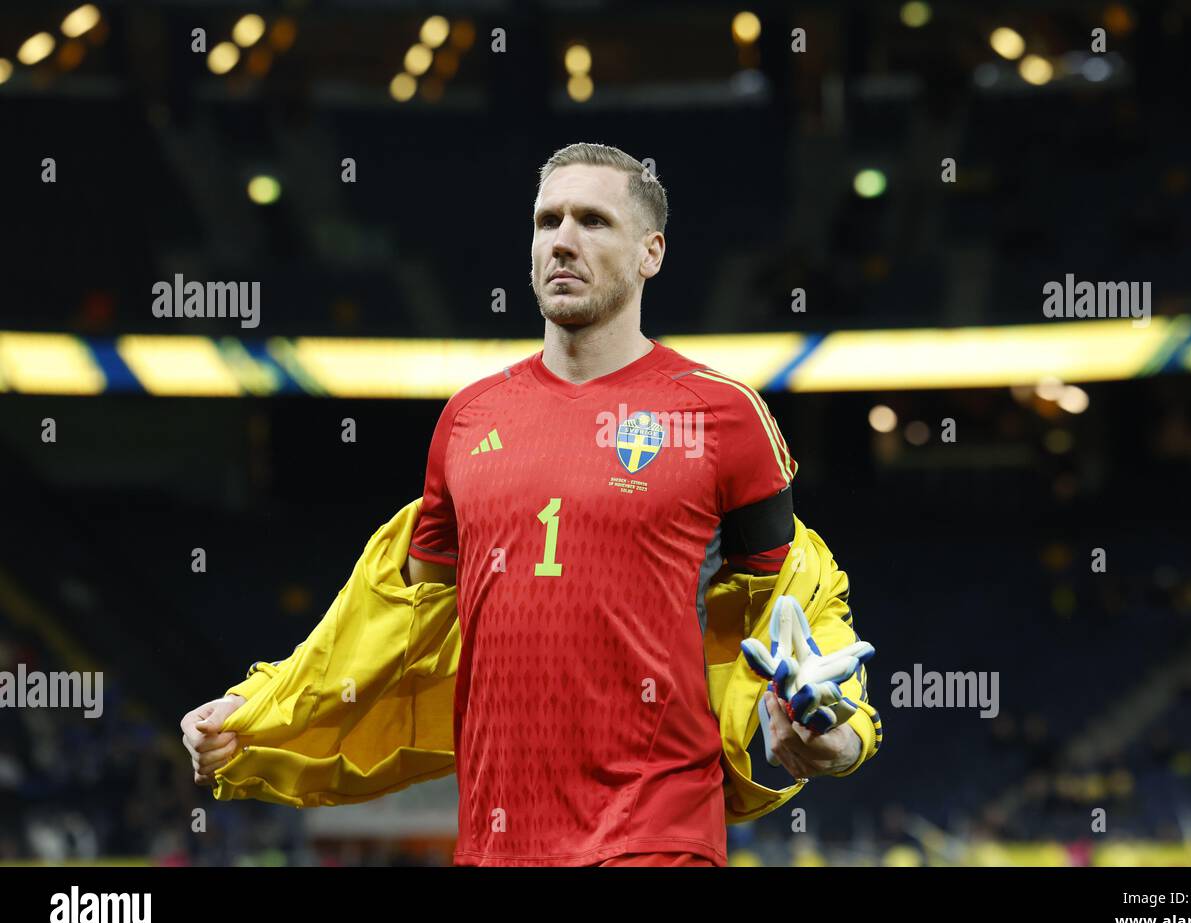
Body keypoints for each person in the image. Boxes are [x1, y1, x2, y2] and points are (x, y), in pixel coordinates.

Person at [182, 143, 875, 867]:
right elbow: (396, 617)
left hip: (656, 838)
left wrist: (839, 727)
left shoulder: (723, 416)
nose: (564, 240)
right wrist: (265, 707)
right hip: (496, 843)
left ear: (652, 253)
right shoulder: (468, 419)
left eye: (594, 221)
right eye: (549, 220)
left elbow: (793, 598)